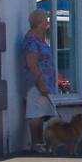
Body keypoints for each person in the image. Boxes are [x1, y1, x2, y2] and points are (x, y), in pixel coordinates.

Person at [21, 9, 57, 153]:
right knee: (35, 113)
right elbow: (32, 64)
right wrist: (41, 83)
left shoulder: (39, 38)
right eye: (45, 20)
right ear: (39, 23)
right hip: (35, 83)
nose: (47, 23)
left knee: (42, 113)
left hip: (44, 82)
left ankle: (41, 143)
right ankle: (36, 144)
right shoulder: (31, 41)